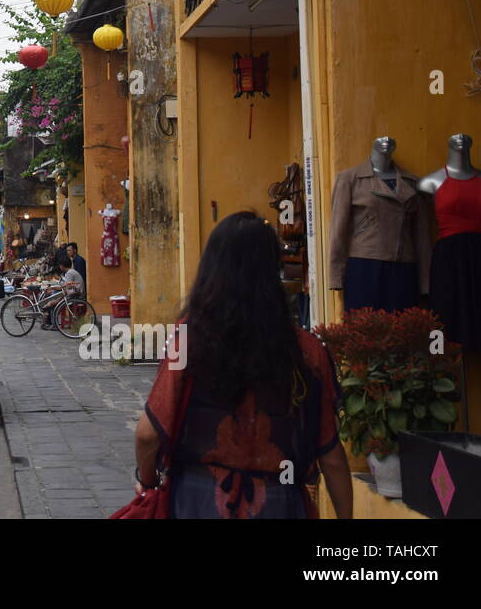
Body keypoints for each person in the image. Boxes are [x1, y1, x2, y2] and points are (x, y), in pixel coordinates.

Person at [133, 212, 353, 518]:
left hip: (198, 501)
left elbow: (148, 434)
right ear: (273, 270)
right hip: (279, 502)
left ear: (211, 267)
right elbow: (330, 454)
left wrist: (146, 480)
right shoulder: (308, 351)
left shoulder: (190, 340)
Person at [42, 250, 84, 330]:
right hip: (73, 291)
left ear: (62, 266)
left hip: (75, 294)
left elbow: (65, 287)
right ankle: (49, 321)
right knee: (52, 297)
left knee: (52, 303)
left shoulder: (70, 273)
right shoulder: (70, 272)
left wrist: (52, 289)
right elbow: (66, 286)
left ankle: (54, 324)